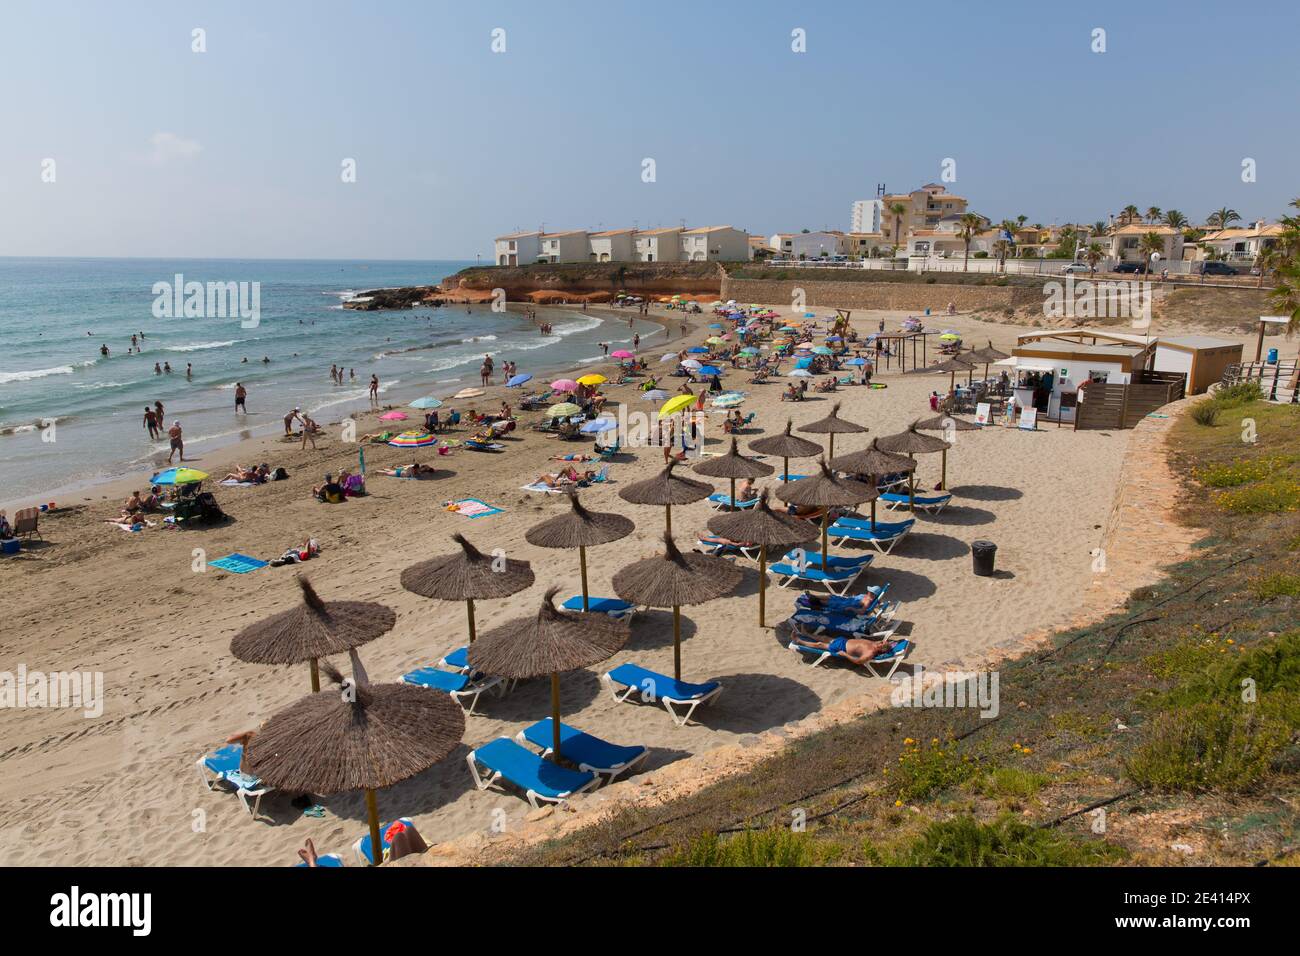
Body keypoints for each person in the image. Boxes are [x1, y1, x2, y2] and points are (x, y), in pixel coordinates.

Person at [791, 633, 899, 666]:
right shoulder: (874, 644)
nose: (880, 641)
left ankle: (799, 641)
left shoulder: (870, 652)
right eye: (882, 641)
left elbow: (858, 661)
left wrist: (844, 654)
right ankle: (804, 633)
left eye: (882, 643)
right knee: (824, 637)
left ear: (881, 649)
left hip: (841, 647)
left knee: (819, 644)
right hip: (843, 641)